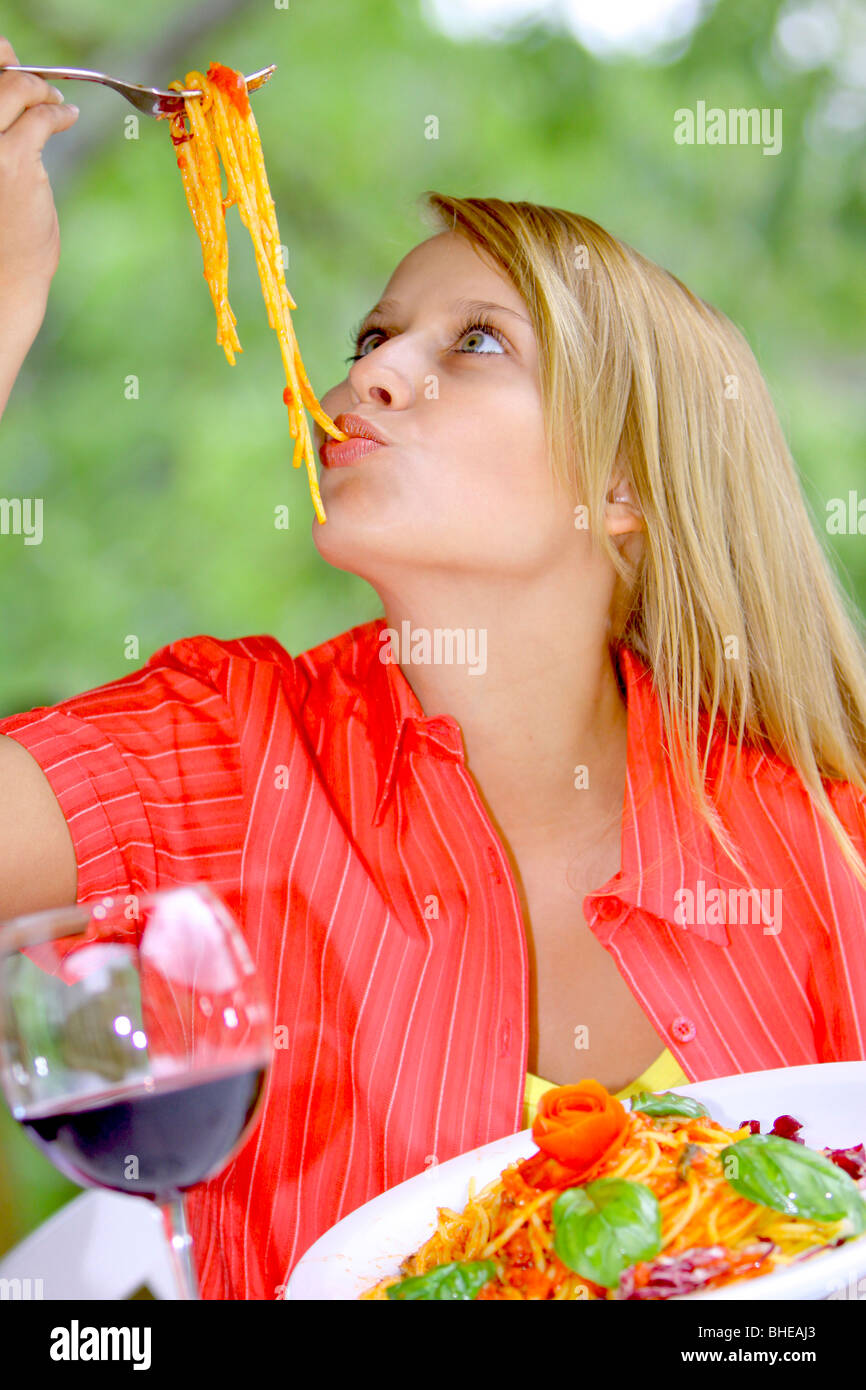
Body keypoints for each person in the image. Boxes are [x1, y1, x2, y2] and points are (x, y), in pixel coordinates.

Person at [1, 33, 865, 1300]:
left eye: (474, 344)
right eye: (374, 332)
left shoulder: (814, 829)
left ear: (623, 484)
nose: (366, 376)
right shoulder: (223, 748)